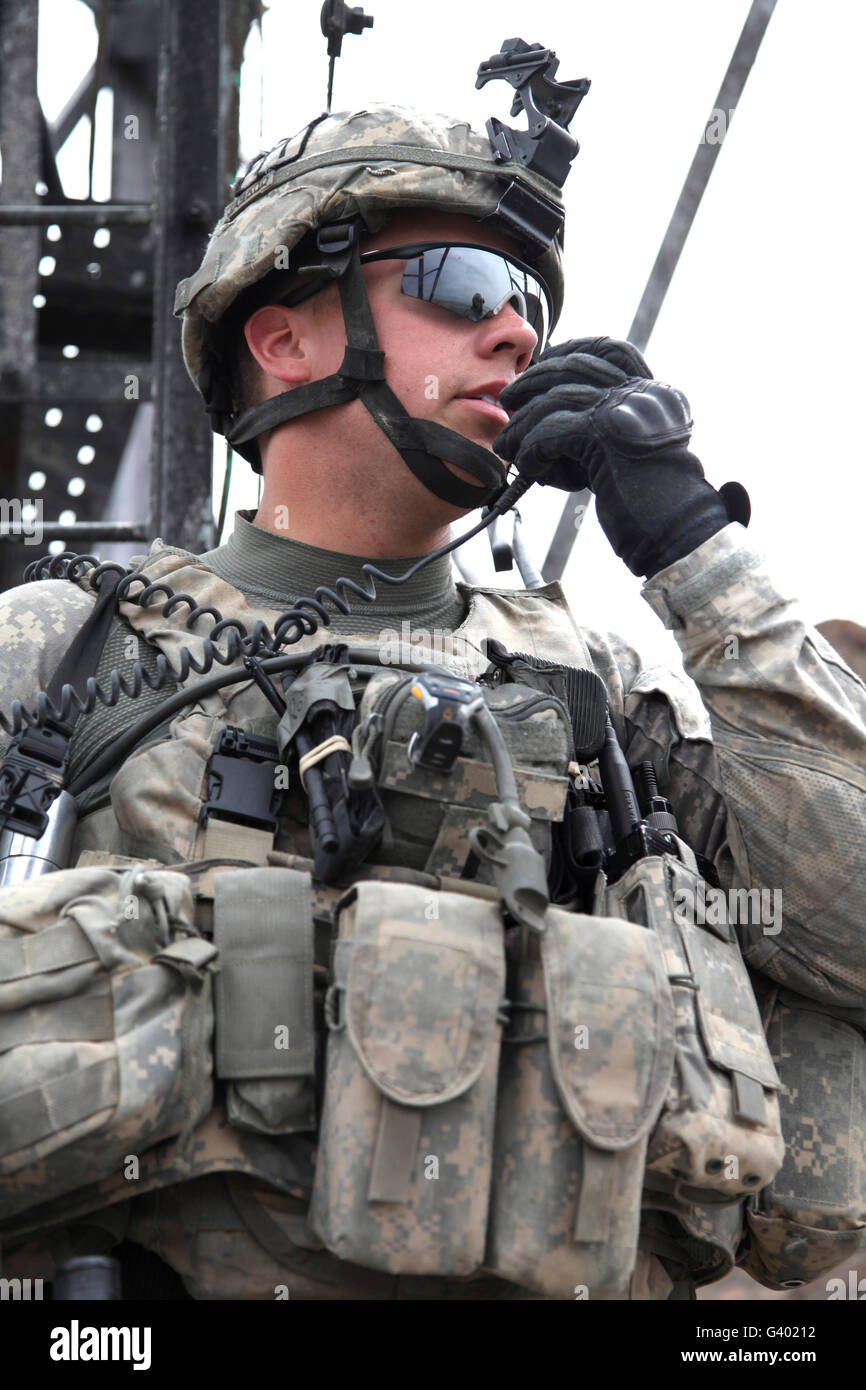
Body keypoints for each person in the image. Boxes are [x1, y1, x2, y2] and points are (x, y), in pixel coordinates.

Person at [0, 101, 864, 1303]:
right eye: (459, 287)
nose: (513, 332)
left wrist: (692, 547)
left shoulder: (598, 688)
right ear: (286, 342)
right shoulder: (63, 649)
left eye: (528, 304)